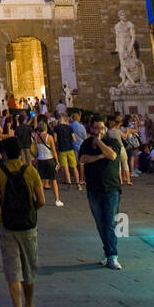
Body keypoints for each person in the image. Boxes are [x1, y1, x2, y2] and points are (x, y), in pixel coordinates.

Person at [0, 135, 45, 307]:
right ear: (21, 152)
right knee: (29, 267)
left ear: (4, 153)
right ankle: (29, 306)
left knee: (13, 271)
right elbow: (42, 200)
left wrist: (6, 203)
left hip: (8, 225)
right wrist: (30, 208)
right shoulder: (31, 171)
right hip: (29, 225)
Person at [80, 119, 124, 269]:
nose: (99, 130)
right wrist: (99, 156)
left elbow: (111, 155)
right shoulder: (86, 144)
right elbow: (82, 159)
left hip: (111, 188)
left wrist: (99, 143)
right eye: (96, 128)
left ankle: (112, 255)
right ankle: (108, 252)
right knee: (100, 224)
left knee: (110, 223)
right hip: (93, 189)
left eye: (102, 128)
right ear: (91, 129)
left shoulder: (113, 142)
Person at [34, 121, 64, 206]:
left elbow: (36, 150)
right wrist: (57, 161)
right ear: (46, 128)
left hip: (40, 160)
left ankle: (39, 199)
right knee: (53, 180)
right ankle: (57, 200)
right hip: (49, 159)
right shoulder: (49, 137)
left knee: (40, 181)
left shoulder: (36, 137)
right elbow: (54, 150)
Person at [54, 113, 80, 190]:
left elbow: (55, 139)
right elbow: (74, 139)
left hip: (62, 149)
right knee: (74, 167)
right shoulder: (70, 127)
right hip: (70, 148)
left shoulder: (56, 128)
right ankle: (78, 184)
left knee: (65, 167)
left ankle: (69, 184)